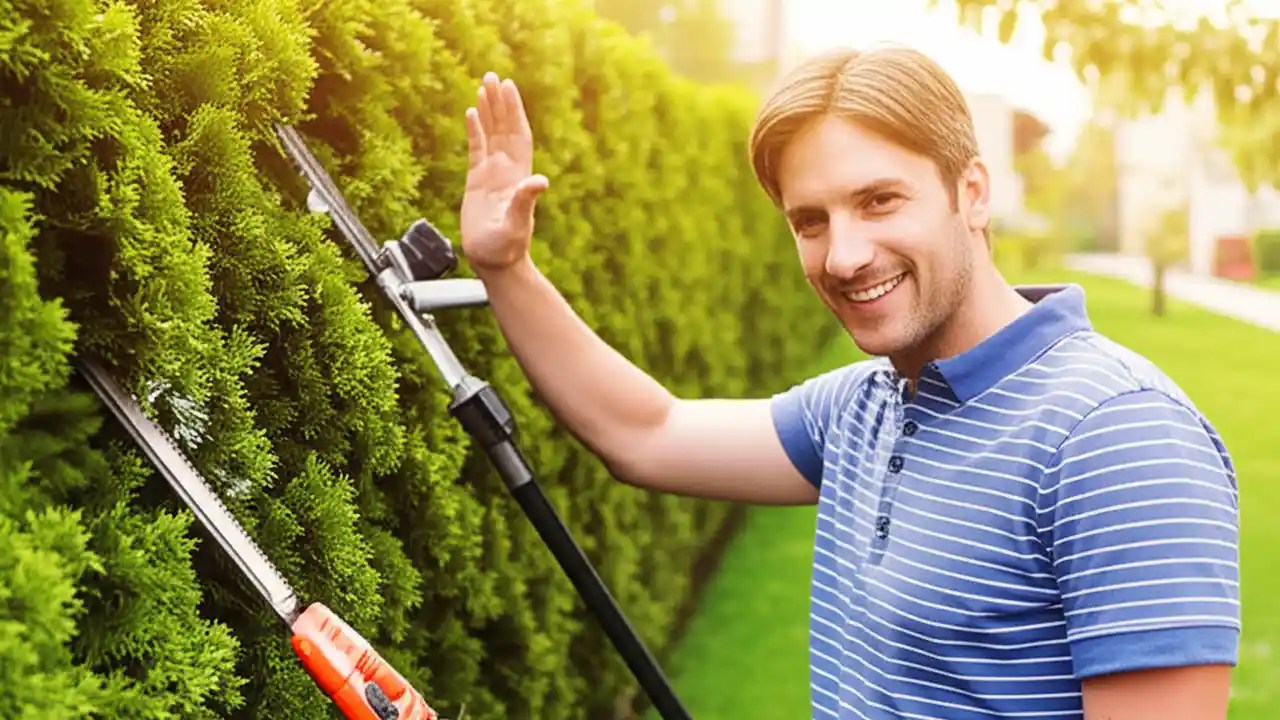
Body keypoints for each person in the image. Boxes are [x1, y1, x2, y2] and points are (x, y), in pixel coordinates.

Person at [456, 45, 1240, 720]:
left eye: (879, 200)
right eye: (812, 221)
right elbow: (645, 433)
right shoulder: (863, 408)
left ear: (971, 191)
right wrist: (505, 266)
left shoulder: (1115, 436)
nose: (844, 256)